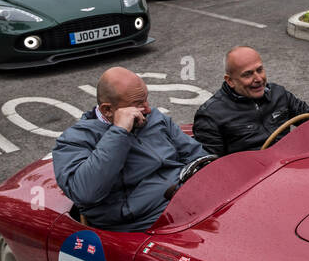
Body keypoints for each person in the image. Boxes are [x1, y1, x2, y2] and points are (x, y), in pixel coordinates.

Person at [52, 67, 207, 231]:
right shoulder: (74, 140)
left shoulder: (154, 117)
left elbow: (196, 156)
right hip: (143, 220)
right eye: (138, 104)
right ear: (108, 110)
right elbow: (85, 193)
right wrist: (119, 132)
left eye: (146, 99)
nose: (147, 109)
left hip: (184, 200)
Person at [192, 46, 309, 156]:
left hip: (289, 166)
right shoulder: (210, 116)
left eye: (260, 70)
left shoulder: (278, 94)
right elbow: (210, 167)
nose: (258, 79)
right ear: (230, 81)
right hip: (252, 180)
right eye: (248, 74)